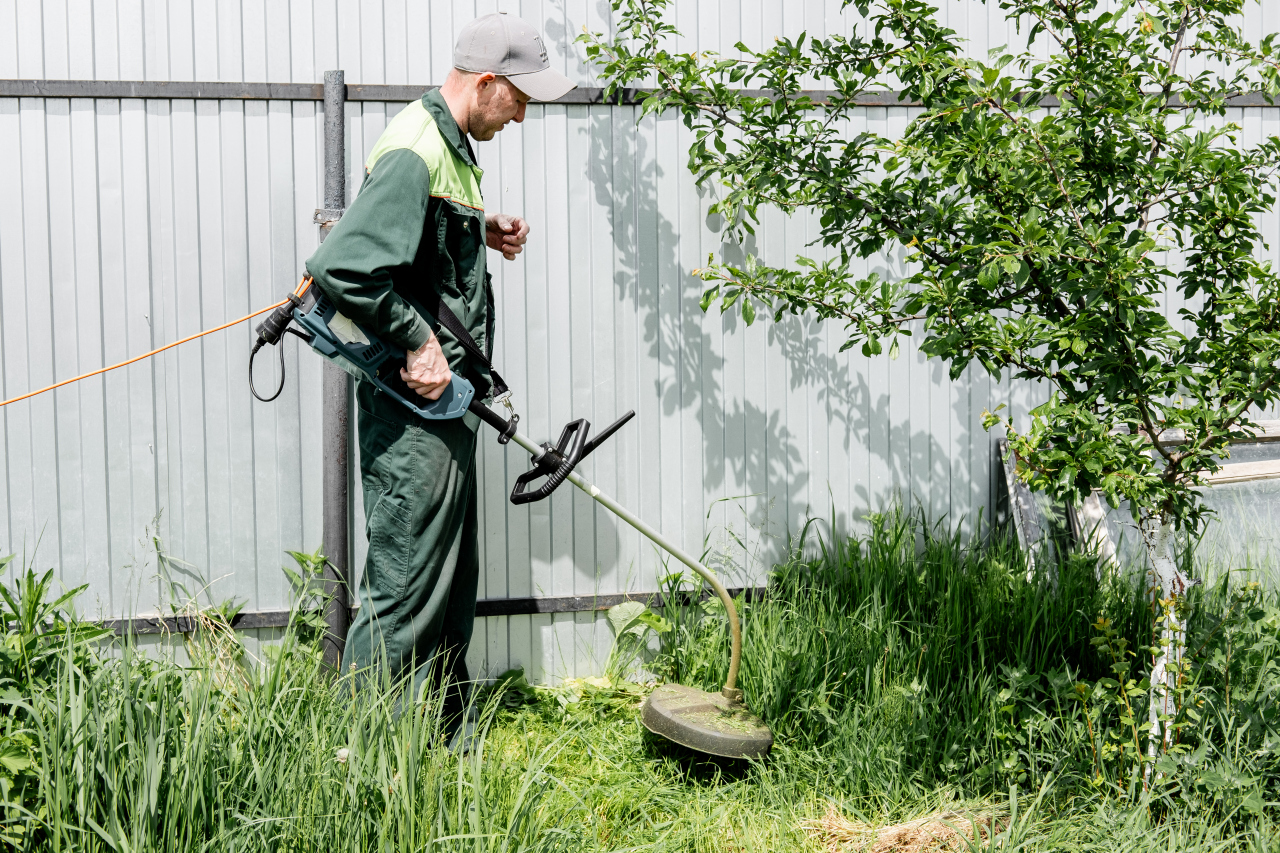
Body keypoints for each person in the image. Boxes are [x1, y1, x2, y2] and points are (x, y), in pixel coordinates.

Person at [305, 13, 574, 722]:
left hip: (446, 407)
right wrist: (418, 341)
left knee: (450, 583)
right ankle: (360, 764)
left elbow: (412, 242)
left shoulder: (447, 146)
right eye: (517, 99)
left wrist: (478, 230)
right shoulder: (416, 149)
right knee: (404, 585)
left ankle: (439, 744)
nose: (519, 115)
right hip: (412, 417)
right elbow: (343, 269)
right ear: (486, 83)